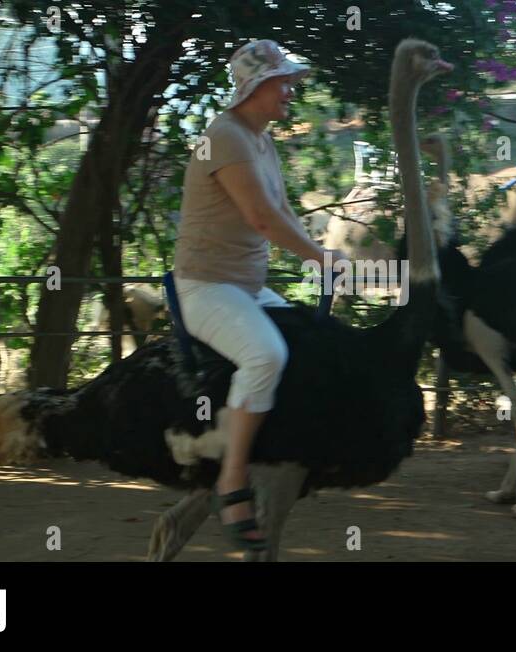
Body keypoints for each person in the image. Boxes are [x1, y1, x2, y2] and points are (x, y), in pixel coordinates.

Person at [174, 40, 344, 551]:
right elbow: (262, 219)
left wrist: (321, 254)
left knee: (312, 343)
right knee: (266, 354)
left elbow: (284, 213)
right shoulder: (224, 137)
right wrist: (318, 259)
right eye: (284, 82)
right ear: (256, 88)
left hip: (245, 288)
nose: (291, 90)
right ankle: (231, 478)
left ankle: (277, 457)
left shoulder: (260, 140)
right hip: (206, 287)